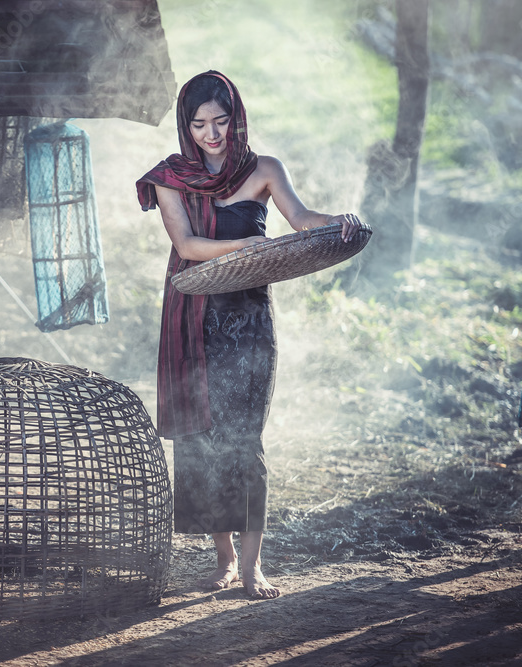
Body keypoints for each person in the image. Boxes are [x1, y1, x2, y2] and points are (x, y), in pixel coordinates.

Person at [136, 71, 361, 600]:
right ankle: (224, 559)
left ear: (236, 118)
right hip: (194, 317)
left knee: (245, 439)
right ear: (185, 127)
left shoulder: (264, 169)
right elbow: (188, 247)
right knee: (202, 438)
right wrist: (250, 250)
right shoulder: (171, 177)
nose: (211, 134)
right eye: (199, 125)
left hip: (251, 319)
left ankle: (254, 565)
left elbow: (301, 217)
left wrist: (339, 220)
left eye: (220, 121)